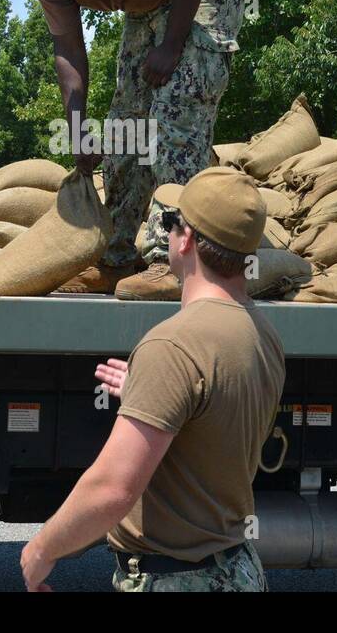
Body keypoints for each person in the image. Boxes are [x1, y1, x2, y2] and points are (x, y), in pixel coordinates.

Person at [20, 167, 285, 592]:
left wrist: (41, 551)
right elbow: (216, 425)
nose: (166, 233)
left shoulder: (173, 345)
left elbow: (112, 489)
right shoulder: (261, 333)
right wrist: (151, 393)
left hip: (176, 578)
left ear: (188, 240)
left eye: (170, 222)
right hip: (236, 569)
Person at [0, 0, 253, 298]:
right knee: (124, 134)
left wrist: (173, 46)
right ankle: (117, 257)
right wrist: (77, 125)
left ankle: (171, 261)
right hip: (146, 4)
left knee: (173, 120)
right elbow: (68, 50)